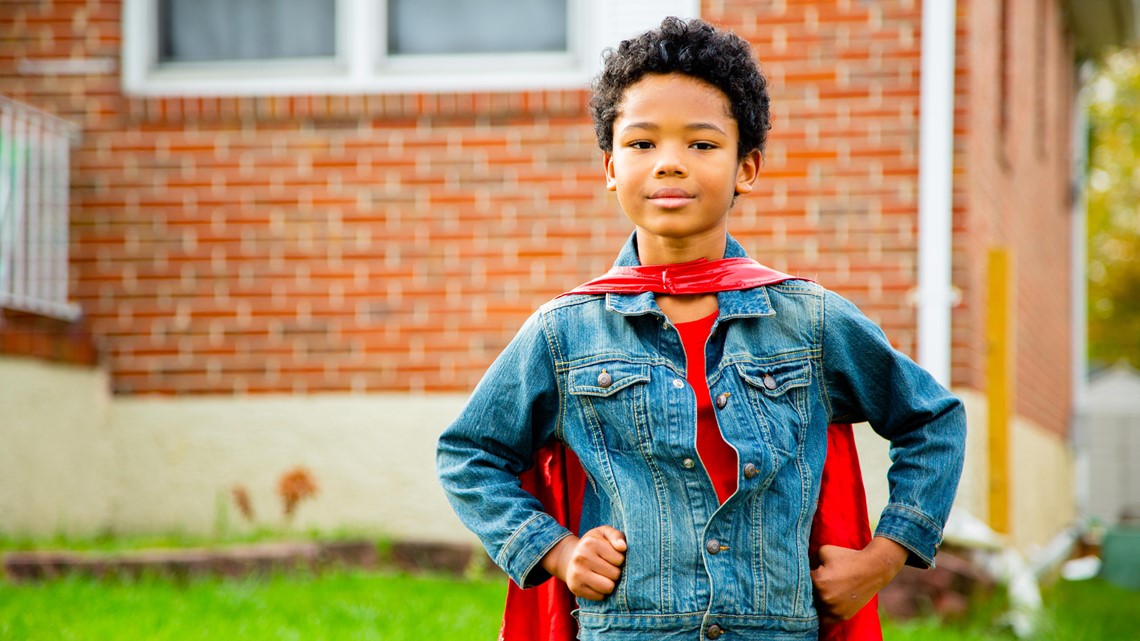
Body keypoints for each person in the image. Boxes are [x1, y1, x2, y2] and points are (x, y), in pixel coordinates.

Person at [437, 16, 966, 641]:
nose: (669, 165)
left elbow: (932, 420)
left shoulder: (809, 320)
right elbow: (469, 454)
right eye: (641, 144)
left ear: (747, 167)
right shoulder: (564, 332)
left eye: (702, 144)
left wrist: (882, 559)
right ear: (610, 167)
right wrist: (555, 552)